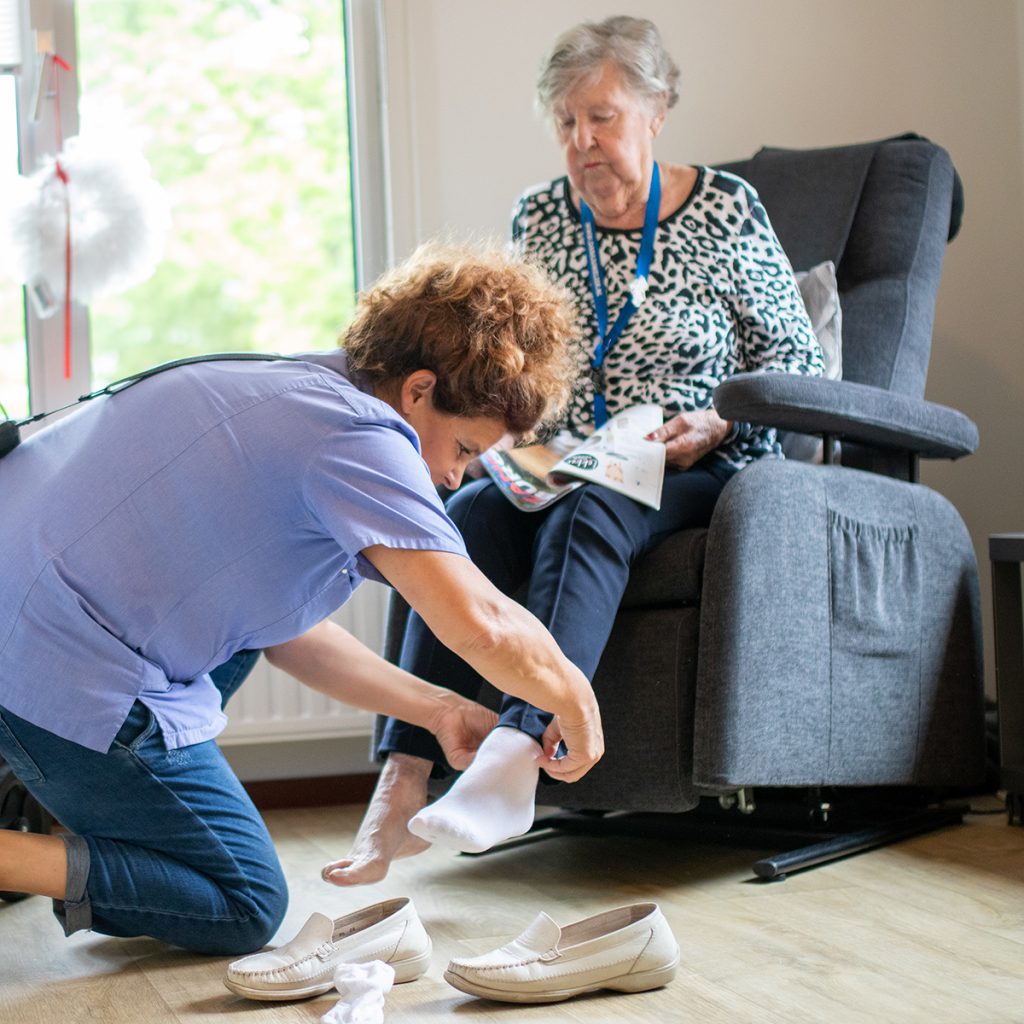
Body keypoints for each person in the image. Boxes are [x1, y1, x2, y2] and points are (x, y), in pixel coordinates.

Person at [0, 241, 604, 955]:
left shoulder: (300, 389)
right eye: (465, 448)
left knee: (218, 713)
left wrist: (439, 708)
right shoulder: (358, 437)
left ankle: (64, 794)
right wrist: (574, 698)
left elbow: (276, 631)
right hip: (47, 660)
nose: (452, 476)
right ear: (417, 391)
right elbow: (483, 623)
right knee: (244, 901)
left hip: (30, 618)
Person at [331, 14, 825, 884]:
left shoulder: (722, 209)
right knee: (465, 508)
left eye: (601, 117)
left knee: (599, 502)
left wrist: (715, 422)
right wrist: (498, 443)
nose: (582, 141)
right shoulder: (543, 217)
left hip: (694, 461)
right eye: (564, 122)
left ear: (656, 109)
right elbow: (505, 368)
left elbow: (796, 363)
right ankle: (402, 777)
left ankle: (517, 752)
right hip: (565, 458)